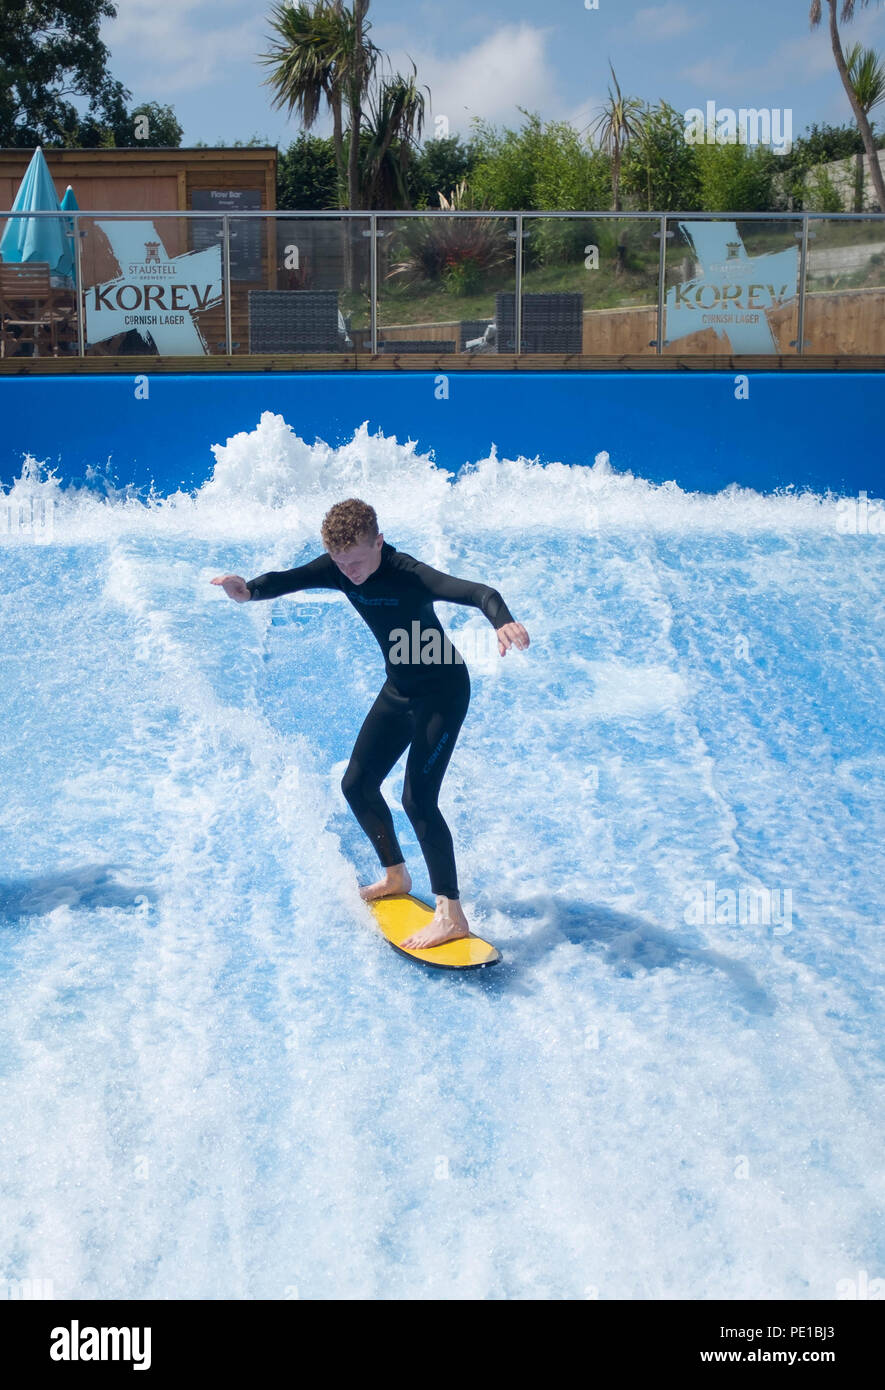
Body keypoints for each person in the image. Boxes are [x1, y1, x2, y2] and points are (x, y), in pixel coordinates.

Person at [212, 498, 529, 949]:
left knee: (418, 800)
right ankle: (395, 875)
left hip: (442, 691)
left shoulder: (409, 573)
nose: (350, 572)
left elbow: (480, 592)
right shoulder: (338, 566)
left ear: (378, 542)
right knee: (357, 785)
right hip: (400, 688)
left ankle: (451, 914)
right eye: (341, 563)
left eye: (358, 561)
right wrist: (249, 591)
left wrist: (503, 622)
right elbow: (289, 579)